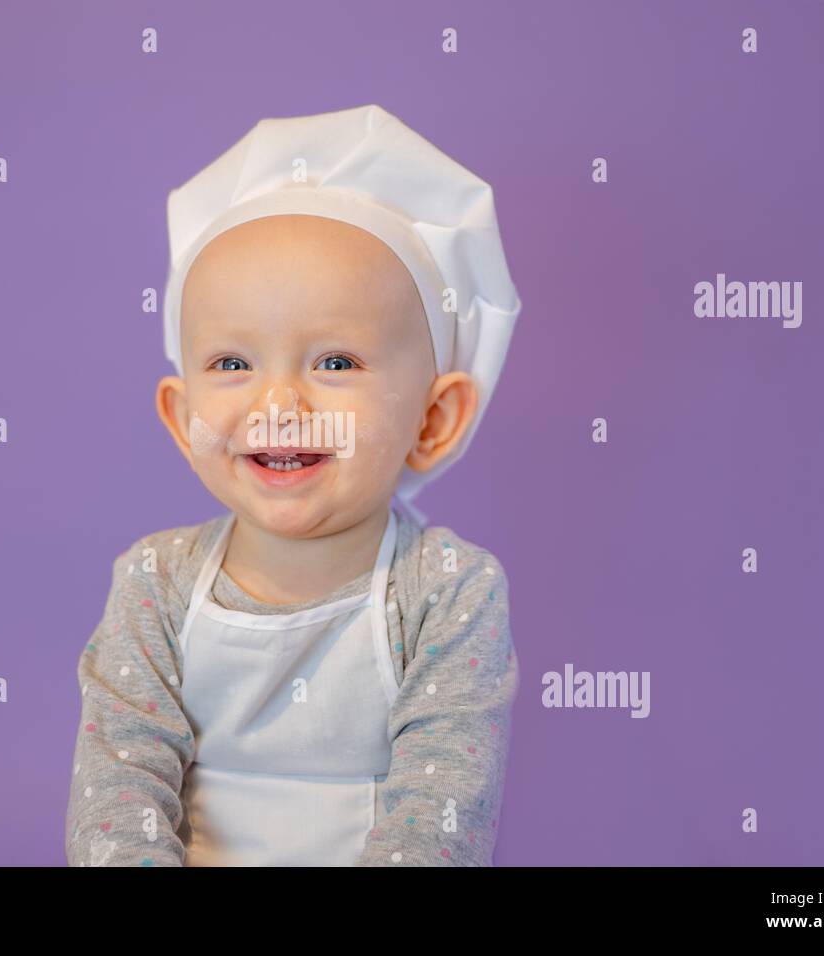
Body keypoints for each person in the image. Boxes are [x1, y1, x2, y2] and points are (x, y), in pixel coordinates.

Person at [66, 104, 523, 866]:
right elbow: (116, 791)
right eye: (232, 364)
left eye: (336, 363)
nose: (278, 406)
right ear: (182, 420)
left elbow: (440, 816)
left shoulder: (449, 592)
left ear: (432, 418)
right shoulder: (154, 582)